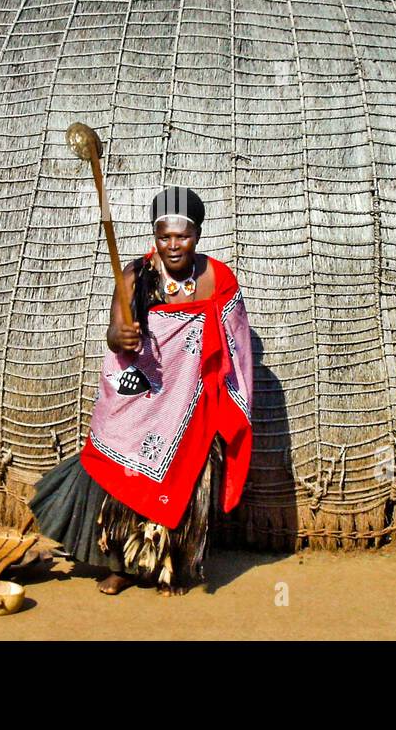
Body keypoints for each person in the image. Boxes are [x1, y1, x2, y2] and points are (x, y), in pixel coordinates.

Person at [29, 186, 254, 596]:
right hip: (142, 399)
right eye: (164, 236)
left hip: (191, 403)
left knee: (182, 486)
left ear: (197, 236)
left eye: (182, 236)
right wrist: (121, 336)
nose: (173, 245)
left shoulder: (218, 278)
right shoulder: (134, 275)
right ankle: (121, 566)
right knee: (121, 481)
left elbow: (234, 339)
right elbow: (115, 335)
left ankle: (171, 568)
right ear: (155, 236)